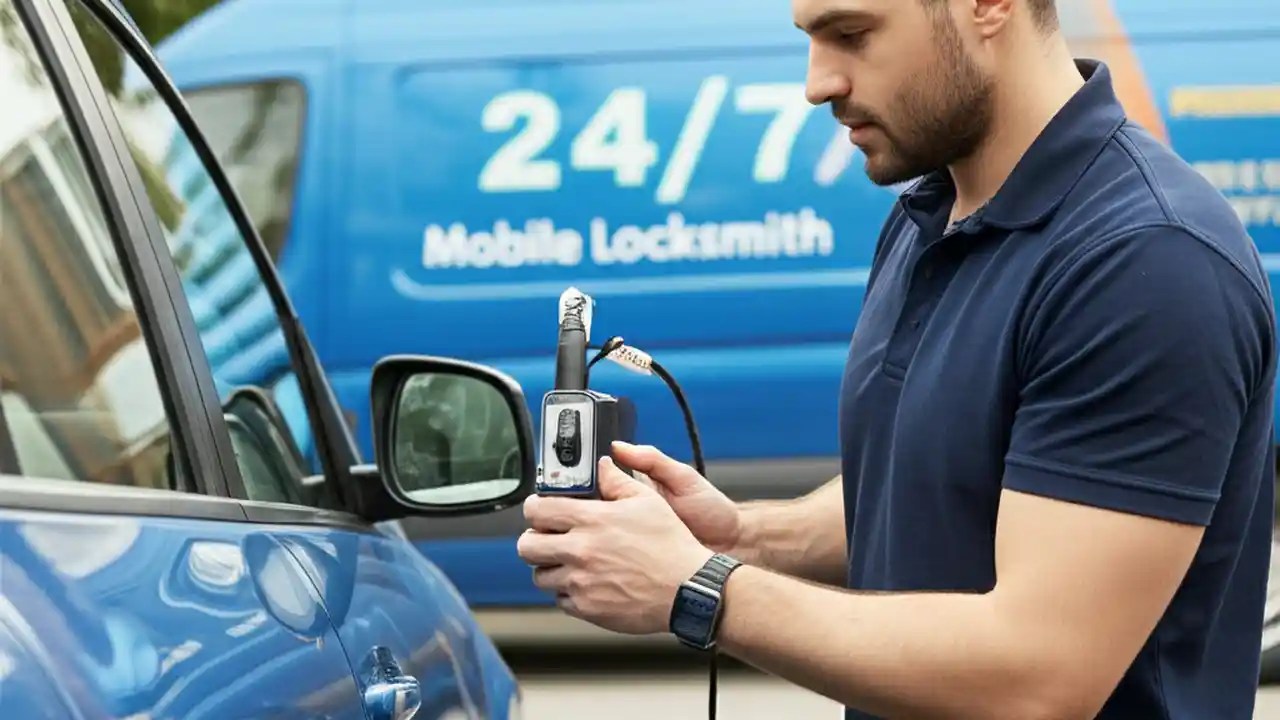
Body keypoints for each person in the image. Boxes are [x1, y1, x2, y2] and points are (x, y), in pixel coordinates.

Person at [516, 0, 1278, 717]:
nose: (817, 83)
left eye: (852, 34)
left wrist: (703, 588)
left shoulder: (1146, 261)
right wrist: (739, 537)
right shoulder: (928, 216)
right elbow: (943, 478)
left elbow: (1040, 675)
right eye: (810, 37)